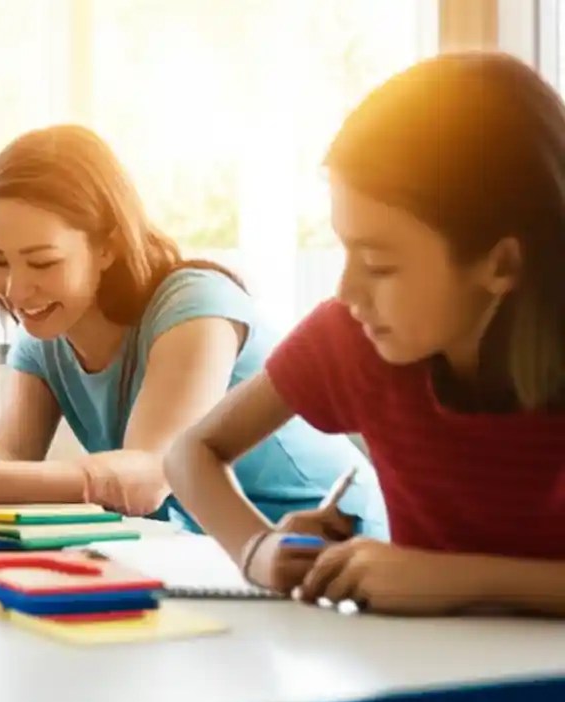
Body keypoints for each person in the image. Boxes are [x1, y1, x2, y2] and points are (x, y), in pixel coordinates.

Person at [165, 52, 565, 616]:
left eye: (379, 264)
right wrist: (258, 549)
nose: (347, 289)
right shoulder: (353, 338)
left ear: (500, 266)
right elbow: (190, 451)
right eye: (344, 248)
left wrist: (455, 579)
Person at [0, 125, 384, 538]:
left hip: (330, 538)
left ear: (107, 246)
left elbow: (151, 477)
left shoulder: (196, 305)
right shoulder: (43, 335)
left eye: (42, 262)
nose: (17, 290)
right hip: (210, 557)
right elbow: (7, 475)